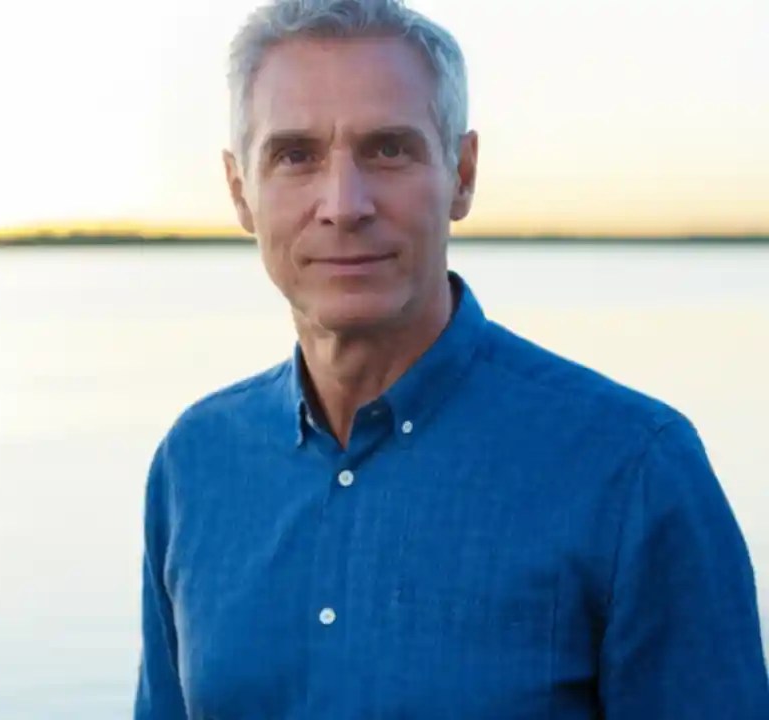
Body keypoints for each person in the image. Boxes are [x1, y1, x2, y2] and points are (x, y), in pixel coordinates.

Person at [132, 0, 769, 717]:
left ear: (462, 174)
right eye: (295, 155)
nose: (343, 204)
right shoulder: (196, 465)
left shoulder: (633, 472)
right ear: (240, 190)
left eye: (388, 149)